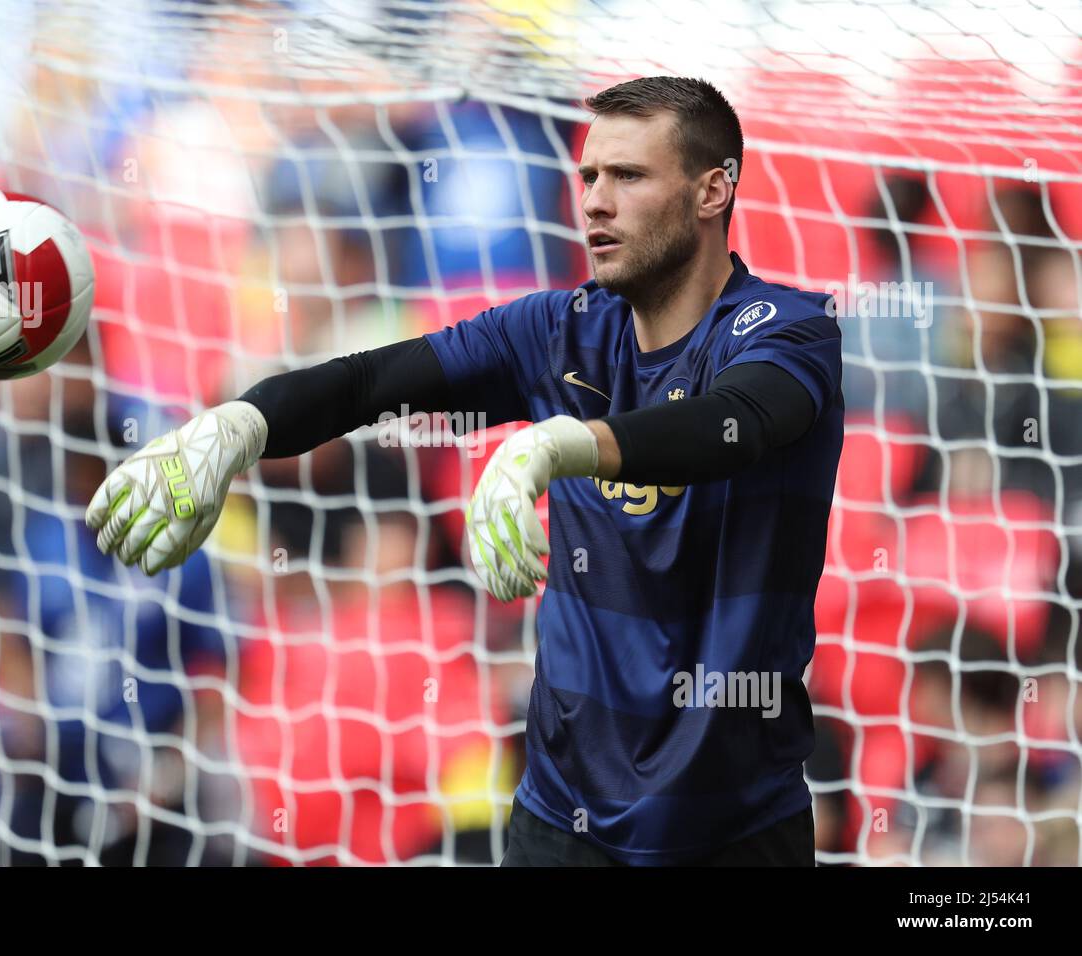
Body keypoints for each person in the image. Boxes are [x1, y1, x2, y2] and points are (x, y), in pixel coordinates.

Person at [86, 76, 844, 866]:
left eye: (629, 176)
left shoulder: (787, 330)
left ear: (712, 191)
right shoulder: (557, 330)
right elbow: (371, 383)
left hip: (732, 828)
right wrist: (239, 424)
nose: (595, 202)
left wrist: (558, 444)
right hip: (561, 823)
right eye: (588, 177)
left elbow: (733, 425)